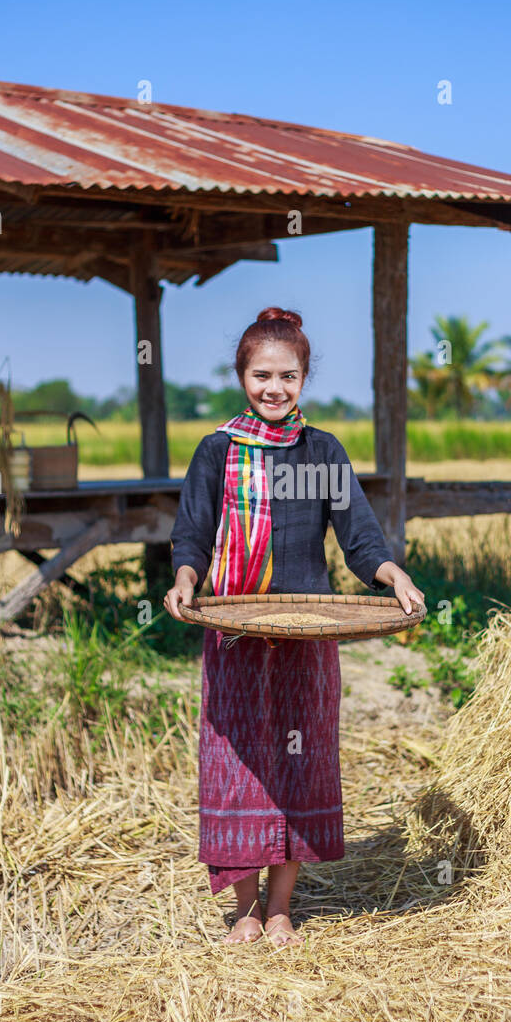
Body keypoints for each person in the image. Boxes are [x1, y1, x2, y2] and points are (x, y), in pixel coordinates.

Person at [164, 307, 424, 948]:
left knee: (299, 760)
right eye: (261, 376)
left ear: (304, 379)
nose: (273, 388)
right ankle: (245, 908)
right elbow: (192, 532)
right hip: (235, 632)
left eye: (287, 376)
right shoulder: (217, 452)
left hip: (308, 637)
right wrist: (185, 582)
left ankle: (282, 907)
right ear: (241, 377)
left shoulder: (322, 451)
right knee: (239, 761)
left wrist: (395, 578)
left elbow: (359, 536)